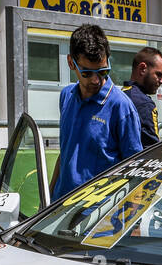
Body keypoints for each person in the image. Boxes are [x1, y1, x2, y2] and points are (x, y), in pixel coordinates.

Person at [51, 24, 142, 200]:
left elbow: (136, 170)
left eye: (103, 71)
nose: (96, 80)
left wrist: (134, 222)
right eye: (87, 73)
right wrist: (48, 198)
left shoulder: (121, 107)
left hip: (98, 218)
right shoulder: (66, 96)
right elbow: (65, 152)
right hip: (60, 209)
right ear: (71, 63)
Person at [121, 46, 162, 148]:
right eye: (159, 74)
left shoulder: (120, 94)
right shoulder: (145, 104)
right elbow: (152, 150)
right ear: (142, 69)